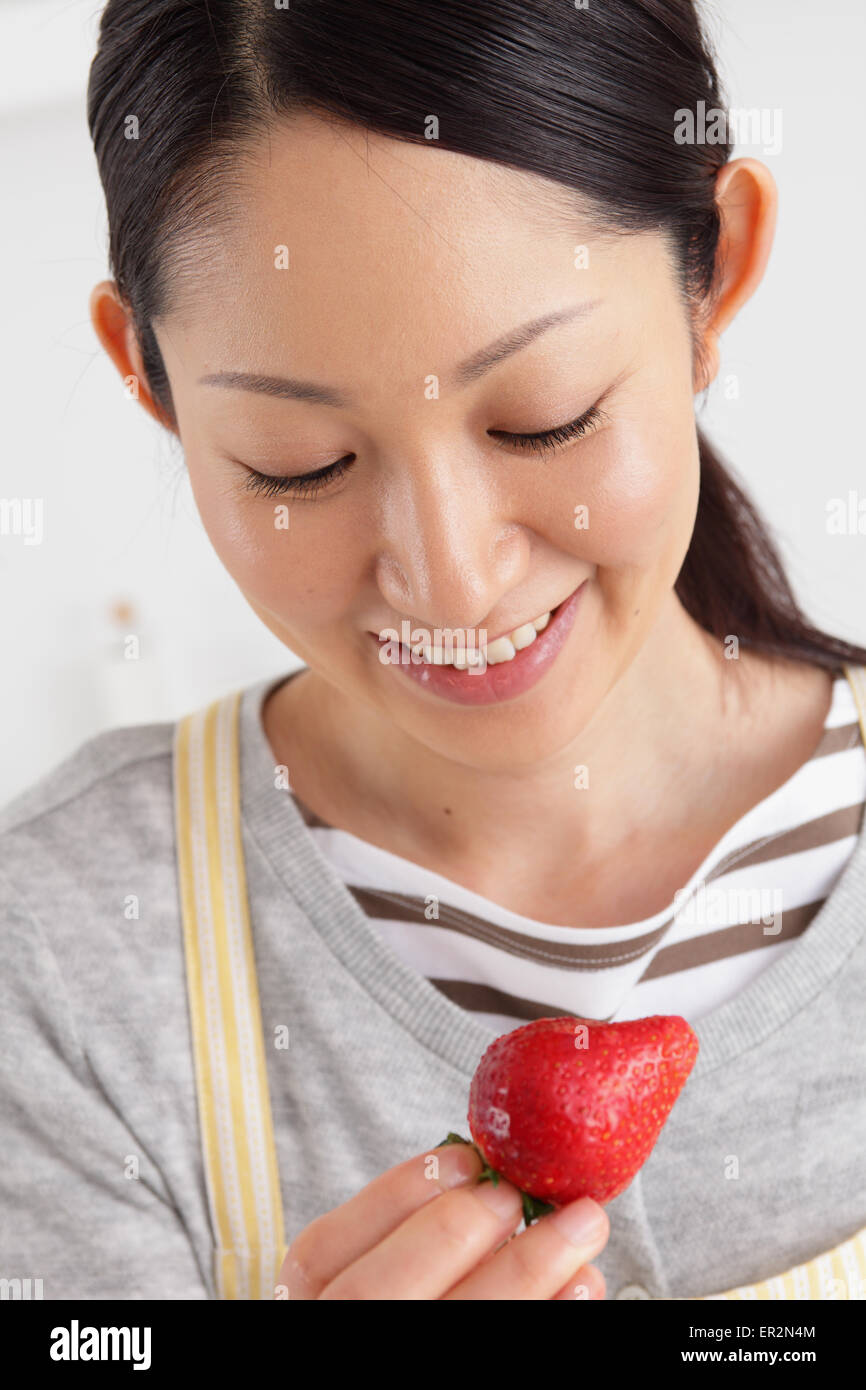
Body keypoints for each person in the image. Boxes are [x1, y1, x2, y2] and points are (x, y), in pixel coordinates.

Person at [2, 0, 865, 1302]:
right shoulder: (56, 960)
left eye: (542, 418)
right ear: (152, 378)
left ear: (716, 272)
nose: (450, 573)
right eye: (305, 464)